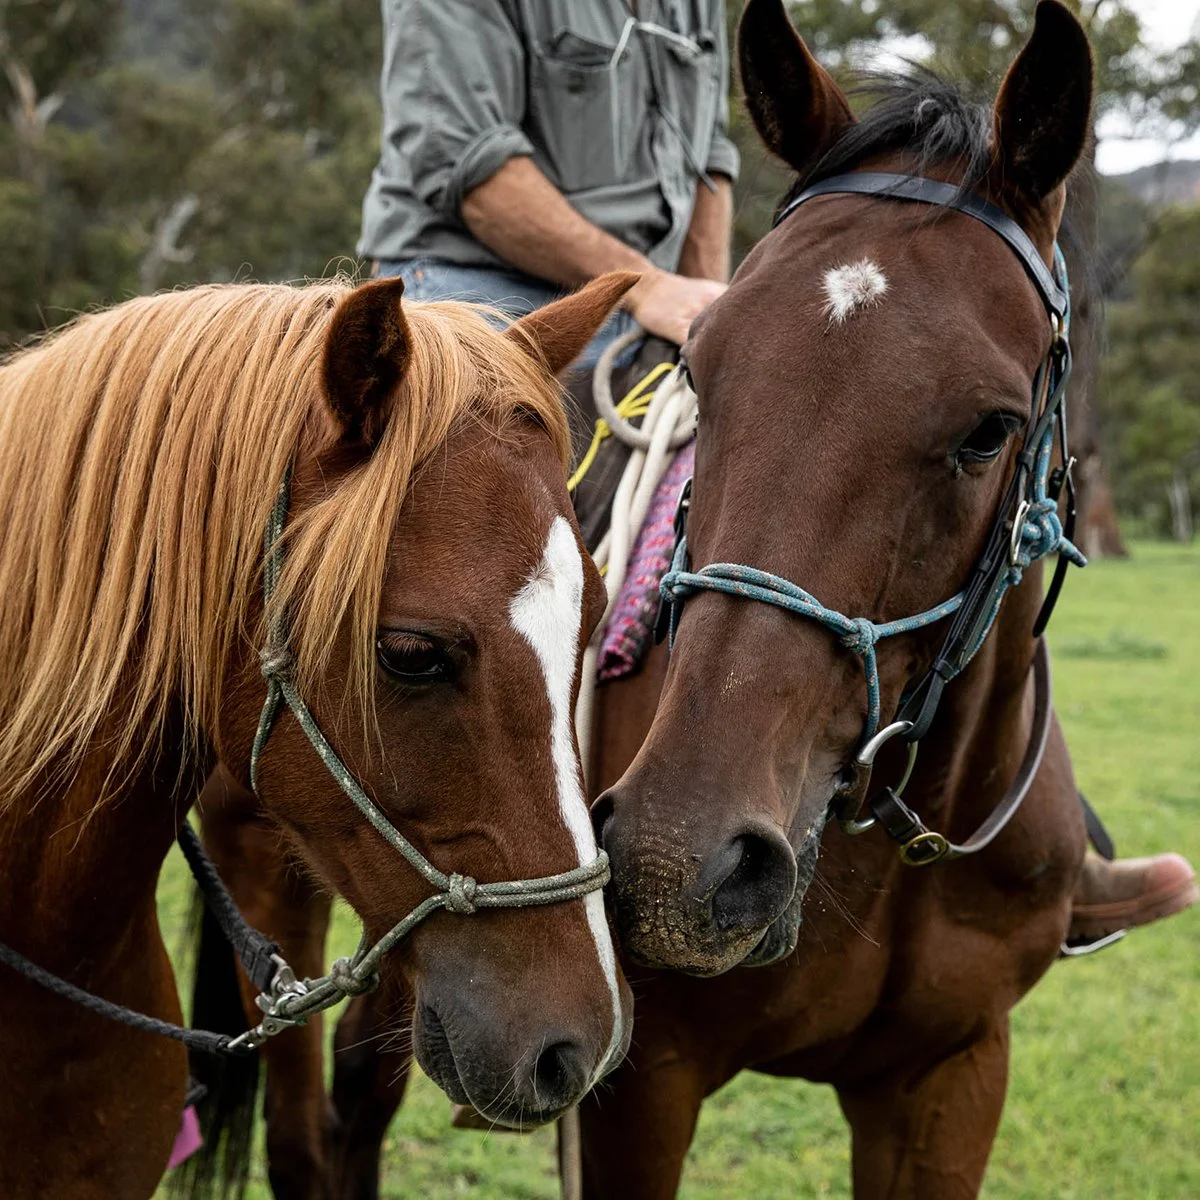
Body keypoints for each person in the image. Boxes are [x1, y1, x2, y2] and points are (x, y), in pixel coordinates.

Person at [357, 0, 1196, 945]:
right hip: (474, 291)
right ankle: (480, 850)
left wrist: (715, 310)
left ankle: (1037, 840)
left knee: (940, 485)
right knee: (492, 529)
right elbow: (471, 168)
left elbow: (709, 165)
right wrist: (649, 284)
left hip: (668, 297)